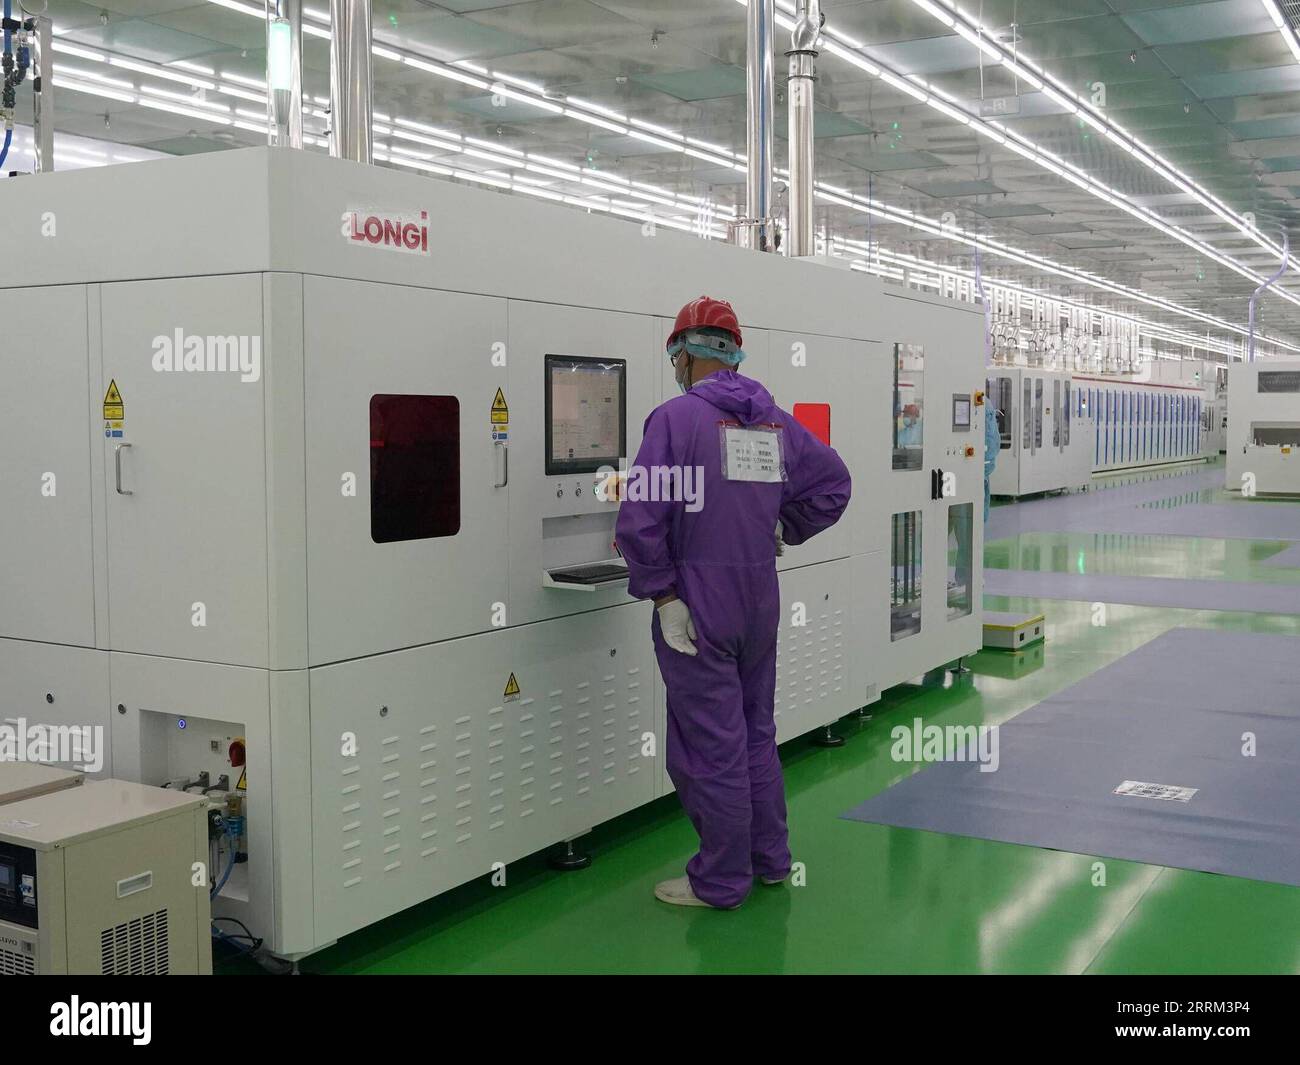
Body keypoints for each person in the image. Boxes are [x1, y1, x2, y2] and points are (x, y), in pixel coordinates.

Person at [614, 296, 852, 910]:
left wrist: (663, 594)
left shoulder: (674, 420)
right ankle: (771, 861)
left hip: (698, 604)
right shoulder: (772, 421)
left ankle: (720, 880)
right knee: (754, 735)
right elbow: (833, 485)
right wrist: (782, 525)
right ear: (735, 354)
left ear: (681, 355)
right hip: (758, 603)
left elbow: (640, 521)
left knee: (707, 747)